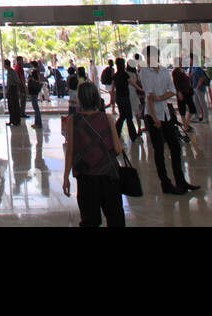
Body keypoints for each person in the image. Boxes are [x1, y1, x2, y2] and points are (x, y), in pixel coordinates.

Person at [62, 80, 126, 227]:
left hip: (85, 179)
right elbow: (118, 149)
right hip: (109, 176)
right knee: (115, 217)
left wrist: (66, 177)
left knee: (90, 220)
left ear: (80, 99)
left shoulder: (73, 121)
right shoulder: (107, 118)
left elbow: (70, 151)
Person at [138, 46, 200, 195]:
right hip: (153, 115)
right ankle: (165, 183)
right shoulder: (145, 72)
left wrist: (160, 97)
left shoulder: (164, 71)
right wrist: (154, 118)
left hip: (165, 113)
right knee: (159, 150)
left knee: (175, 147)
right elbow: (149, 96)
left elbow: (171, 90)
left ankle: (181, 181)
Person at [110, 57, 139, 143]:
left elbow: (112, 88)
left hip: (119, 98)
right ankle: (133, 137)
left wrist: (113, 98)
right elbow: (133, 84)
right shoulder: (125, 74)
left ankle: (115, 133)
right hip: (125, 98)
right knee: (129, 117)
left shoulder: (115, 75)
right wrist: (141, 90)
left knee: (122, 116)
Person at [171, 62, 196, 134]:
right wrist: (179, 92)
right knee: (182, 109)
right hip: (181, 92)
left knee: (192, 108)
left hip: (187, 92)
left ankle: (186, 123)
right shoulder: (175, 72)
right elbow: (176, 83)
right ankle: (185, 125)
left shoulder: (182, 70)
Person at [3, 59, 24, 127]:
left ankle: (16, 120)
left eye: (4, 64)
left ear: (6, 65)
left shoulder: (12, 72)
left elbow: (17, 81)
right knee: (10, 105)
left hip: (13, 89)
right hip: (10, 89)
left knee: (15, 105)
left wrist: (17, 89)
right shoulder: (8, 72)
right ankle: (12, 120)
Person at [26, 62, 43, 129]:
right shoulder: (37, 71)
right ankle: (37, 122)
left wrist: (30, 79)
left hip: (33, 90)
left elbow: (35, 80)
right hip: (34, 90)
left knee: (36, 107)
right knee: (35, 107)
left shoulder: (34, 72)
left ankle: (38, 123)